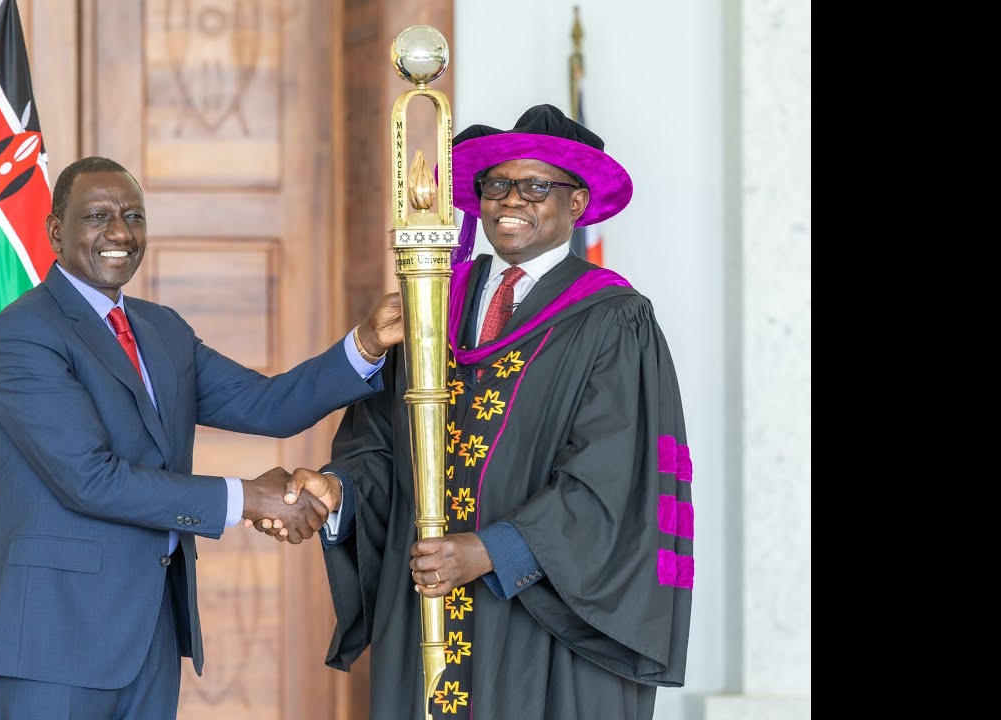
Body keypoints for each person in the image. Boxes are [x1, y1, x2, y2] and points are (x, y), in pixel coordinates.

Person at [259, 104, 694, 718]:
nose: (510, 199)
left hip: (543, 620)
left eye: (537, 186)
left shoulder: (611, 322)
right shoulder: (432, 305)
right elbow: (383, 443)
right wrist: (337, 490)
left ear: (576, 205)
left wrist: (494, 551)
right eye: (496, 184)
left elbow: (615, 479)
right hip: (426, 601)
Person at [0, 155, 404, 719]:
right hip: (53, 642)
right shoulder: (25, 333)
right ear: (56, 231)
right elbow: (91, 480)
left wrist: (366, 343)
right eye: (98, 216)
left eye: (133, 216)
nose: (119, 232)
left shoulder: (162, 330)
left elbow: (269, 405)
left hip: (150, 639)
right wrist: (249, 498)